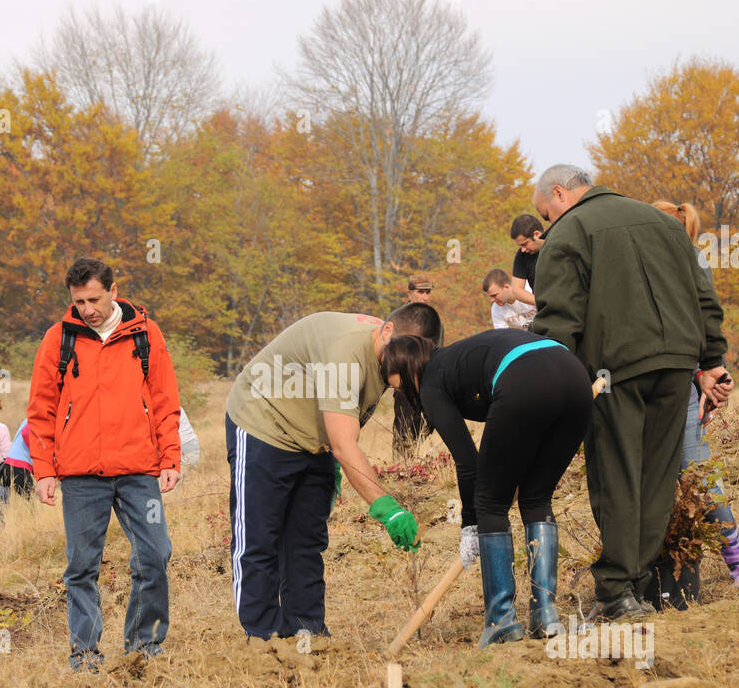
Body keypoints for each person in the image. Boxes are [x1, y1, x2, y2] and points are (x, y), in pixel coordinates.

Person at [531, 165, 731, 620]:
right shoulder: (665, 222)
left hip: (613, 370)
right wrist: (712, 362)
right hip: (677, 363)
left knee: (617, 477)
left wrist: (546, 384)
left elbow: (558, 320)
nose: (547, 225)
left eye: (546, 214)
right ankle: (638, 587)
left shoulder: (568, 234)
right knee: (657, 479)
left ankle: (618, 592)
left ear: (560, 193)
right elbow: (705, 297)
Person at [225, 302, 442, 640]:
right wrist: (388, 508)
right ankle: (262, 638)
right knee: (259, 538)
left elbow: (348, 420)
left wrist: (334, 457)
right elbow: (344, 444)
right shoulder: (347, 351)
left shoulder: (390, 351)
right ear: (387, 330)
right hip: (264, 424)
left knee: (305, 540)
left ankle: (305, 631)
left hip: (315, 438)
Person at [382, 328, 592, 644]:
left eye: (392, 382)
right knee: (536, 497)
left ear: (405, 368)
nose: (393, 390)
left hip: (525, 378)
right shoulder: (456, 360)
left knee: (490, 503)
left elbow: (468, 462)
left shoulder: (430, 382)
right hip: (575, 376)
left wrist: (470, 525)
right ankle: (545, 615)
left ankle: (502, 621)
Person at [28, 257, 182, 670]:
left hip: (138, 471)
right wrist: (43, 470)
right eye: (79, 301)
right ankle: (85, 656)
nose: (87, 309)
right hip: (79, 476)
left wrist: (171, 457)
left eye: (94, 299)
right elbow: (40, 411)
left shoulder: (145, 334)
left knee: (155, 555)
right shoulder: (58, 339)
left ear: (114, 292)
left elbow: (166, 402)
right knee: (81, 567)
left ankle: (144, 649)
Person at [653, 200, 739, 594]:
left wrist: (710, 379)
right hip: (657, 384)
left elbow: (704, 327)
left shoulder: (692, 262)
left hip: (683, 385)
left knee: (698, 476)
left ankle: (737, 565)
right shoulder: (642, 265)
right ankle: (666, 569)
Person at [392, 275, 434, 461]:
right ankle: (400, 470)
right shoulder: (399, 317)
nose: (425, 297)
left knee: (429, 422)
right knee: (402, 430)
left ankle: (413, 461)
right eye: (421, 292)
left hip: (426, 381)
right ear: (409, 293)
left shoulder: (432, 318)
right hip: (404, 382)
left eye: (428, 292)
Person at [510, 214, 544, 319]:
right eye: (520, 246)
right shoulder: (522, 256)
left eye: (525, 244)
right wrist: (541, 302)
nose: (523, 249)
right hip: (545, 312)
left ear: (537, 234)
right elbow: (516, 290)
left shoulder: (558, 245)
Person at [1, 419, 36, 499]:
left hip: (10, 463)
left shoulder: (28, 419)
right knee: (30, 503)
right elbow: (26, 433)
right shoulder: (37, 417)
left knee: (20, 501)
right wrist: (35, 452)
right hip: (19, 465)